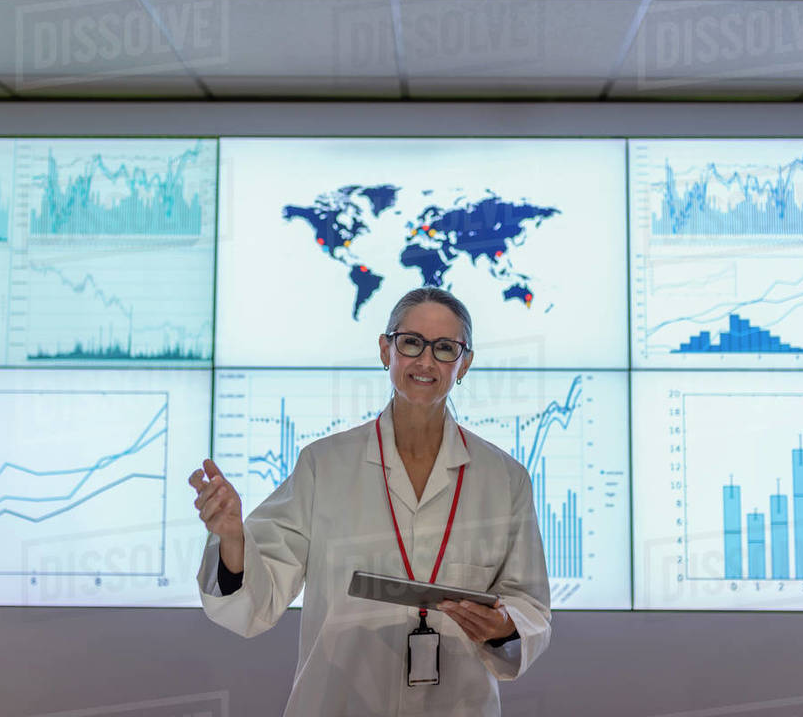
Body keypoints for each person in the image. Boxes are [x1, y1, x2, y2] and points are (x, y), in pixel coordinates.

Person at [189, 286, 551, 716]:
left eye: (444, 348)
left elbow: (530, 606)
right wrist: (233, 538)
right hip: (339, 702)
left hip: (457, 704)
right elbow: (257, 598)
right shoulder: (324, 464)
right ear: (386, 350)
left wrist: (504, 625)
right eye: (411, 342)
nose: (426, 361)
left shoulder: (504, 478)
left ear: (464, 363)